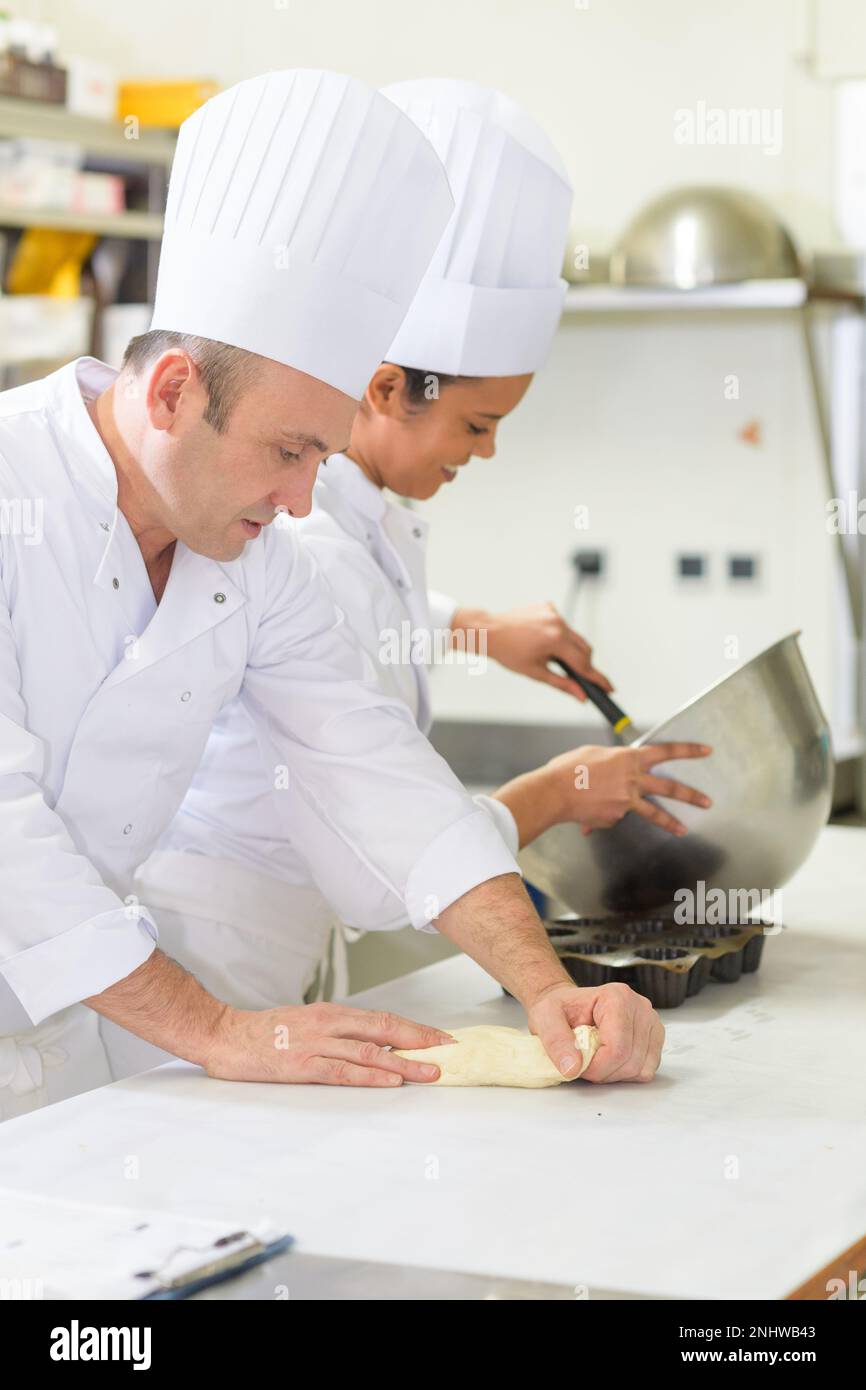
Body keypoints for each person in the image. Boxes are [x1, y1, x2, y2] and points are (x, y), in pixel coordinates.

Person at [0, 70, 664, 1123]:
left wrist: (549, 989)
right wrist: (219, 1029)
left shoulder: (252, 556)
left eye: (321, 451)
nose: (305, 494)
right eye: (288, 449)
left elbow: (378, 773)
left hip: (67, 1049)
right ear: (172, 391)